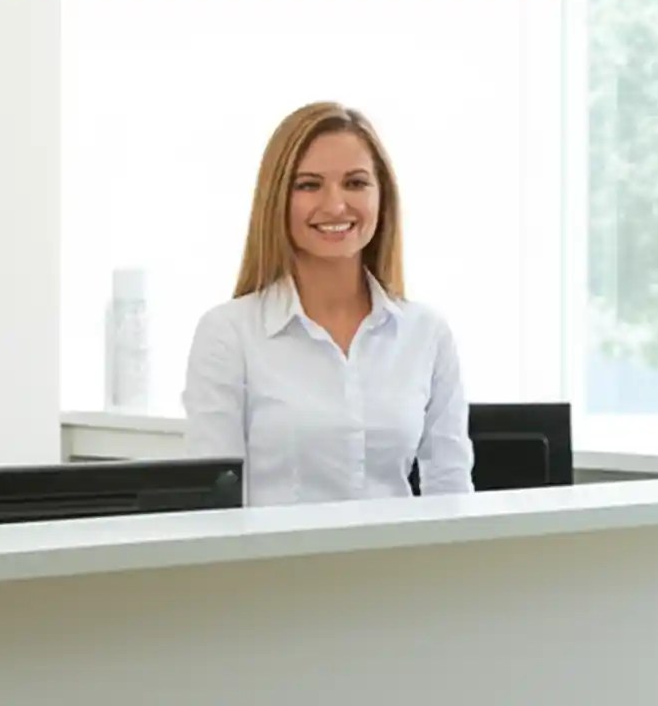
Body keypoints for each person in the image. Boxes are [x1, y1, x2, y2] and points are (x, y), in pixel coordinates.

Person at [182, 101, 474, 505]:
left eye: (355, 183)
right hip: (275, 567)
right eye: (309, 185)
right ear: (278, 199)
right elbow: (214, 507)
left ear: (381, 197)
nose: (336, 205)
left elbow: (452, 491)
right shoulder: (229, 334)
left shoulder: (427, 333)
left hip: (400, 566)